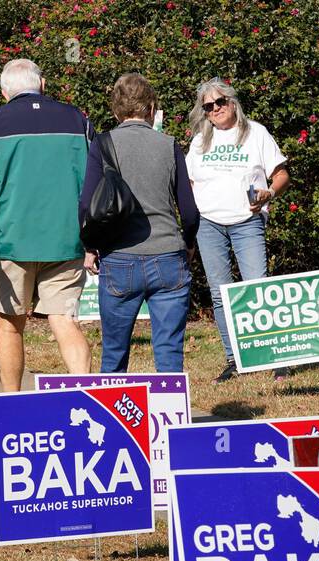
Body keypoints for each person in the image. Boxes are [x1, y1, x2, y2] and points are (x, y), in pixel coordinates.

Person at [0, 59, 93, 391]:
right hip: (67, 241)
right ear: (43, 84)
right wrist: (93, 239)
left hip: (11, 243)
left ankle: (12, 406)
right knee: (65, 321)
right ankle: (90, 400)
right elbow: (95, 181)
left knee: (10, 326)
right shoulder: (78, 120)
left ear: (4, 91)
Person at [79, 73, 200, 373]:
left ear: (116, 110)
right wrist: (188, 243)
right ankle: (171, 417)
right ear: (150, 108)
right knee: (170, 352)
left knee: (114, 353)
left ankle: (112, 418)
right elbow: (189, 209)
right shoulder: (169, 144)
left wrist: (90, 246)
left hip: (119, 259)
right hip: (168, 256)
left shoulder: (103, 144)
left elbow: (86, 205)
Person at [185, 78, 291, 382]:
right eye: (208, 106)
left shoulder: (255, 133)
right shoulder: (199, 141)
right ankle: (234, 359)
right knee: (220, 295)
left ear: (233, 102)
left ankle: (275, 357)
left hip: (247, 220)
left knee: (258, 289)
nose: (215, 109)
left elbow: (281, 175)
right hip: (208, 223)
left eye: (220, 102)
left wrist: (269, 193)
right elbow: (190, 183)